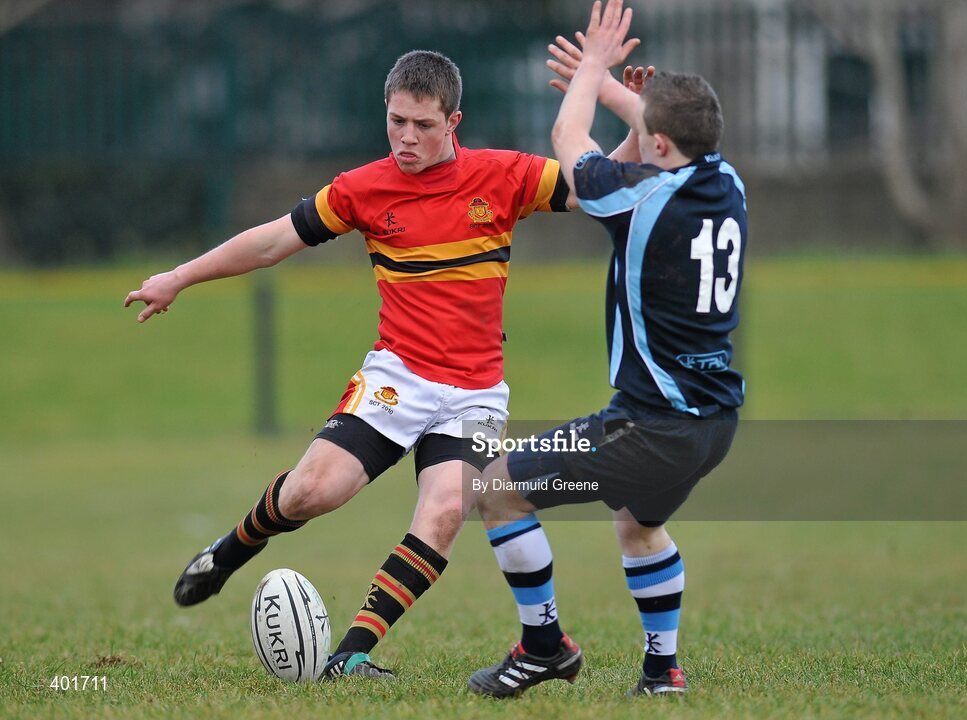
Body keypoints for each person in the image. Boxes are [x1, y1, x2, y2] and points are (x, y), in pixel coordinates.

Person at [124, 49, 637, 681]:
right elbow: (270, 241)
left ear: (454, 121)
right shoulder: (363, 189)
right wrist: (178, 276)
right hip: (396, 379)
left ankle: (350, 654)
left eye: (423, 125)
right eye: (396, 121)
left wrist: (638, 127)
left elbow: (602, 187)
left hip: (476, 394)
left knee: (448, 511)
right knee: (314, 492)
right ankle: (233, 549)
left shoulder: (505, 175)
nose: (406, 137)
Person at [467, 0, 747, 698]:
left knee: (497, 491)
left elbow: (568, 139)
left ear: (655, 146)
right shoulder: (727, 182)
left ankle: (542, 647)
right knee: (636, 524)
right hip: (713, 424)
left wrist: (594, 72)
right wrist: (618, 86)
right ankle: (662, 674)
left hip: (648, 426)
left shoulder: (641, 198)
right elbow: (664, 133)